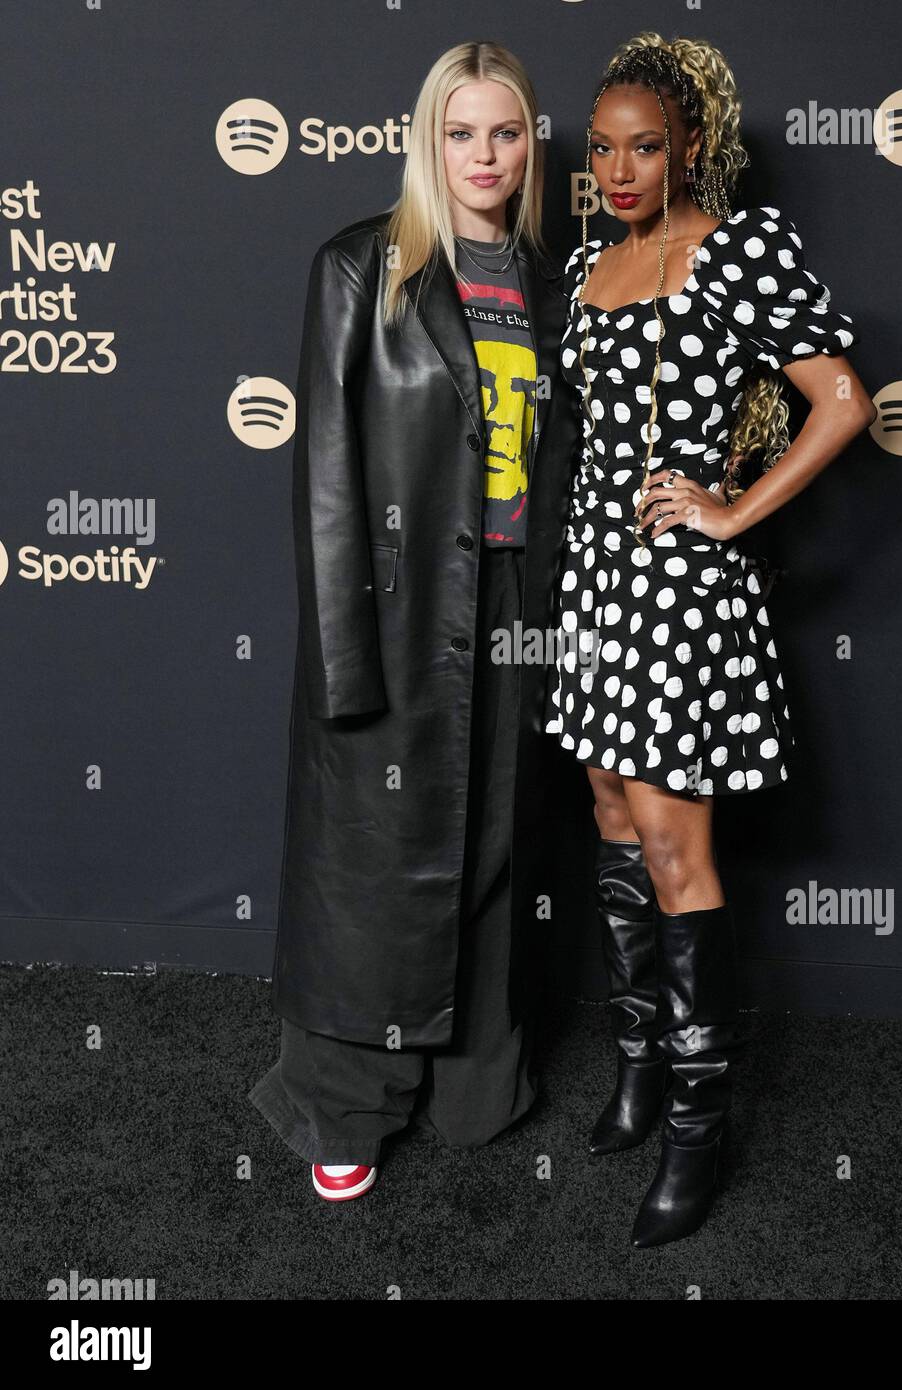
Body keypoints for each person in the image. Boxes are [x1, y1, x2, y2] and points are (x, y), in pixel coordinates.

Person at [545, 31, 877, 1246]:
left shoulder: (735, 251)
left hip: (681, 595)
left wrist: (728, 508)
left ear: (691, 145)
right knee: (613, 821)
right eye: (603, 150)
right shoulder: (585, 260)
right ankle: (637, 1069)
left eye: (645, 146)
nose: (620, 169)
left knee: (680, 852)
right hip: (591, 589)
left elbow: (840, 400)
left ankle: (698, 1127)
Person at [249, 40, 579, 1203]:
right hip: (395, 616)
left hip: (516, 608)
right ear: (426, 140)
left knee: (495, 842)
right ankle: (344, 1100)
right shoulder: (361, 268)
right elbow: (326, 477)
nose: (483, 156)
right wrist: (345, 660)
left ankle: (476, 1078)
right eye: (460, 133)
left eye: (504, 133)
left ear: (527, 143)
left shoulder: (554, 281)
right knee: (373, 869)